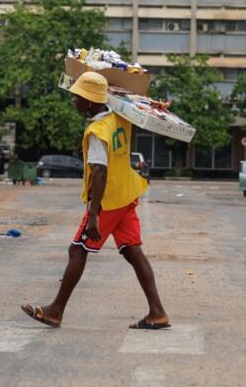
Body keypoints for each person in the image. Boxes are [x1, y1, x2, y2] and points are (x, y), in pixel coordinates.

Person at [22, 71, 169, 331]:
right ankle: (157, 313)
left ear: (90, 101)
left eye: (77, 96)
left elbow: (99, 172)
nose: (73, 100)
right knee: (133, 251)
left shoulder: (97, 130)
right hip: (127, 193)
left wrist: (93, 215)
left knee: (77, 250)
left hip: (108, 201)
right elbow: (128, 101)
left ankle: (55, 311)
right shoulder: (119, 118)